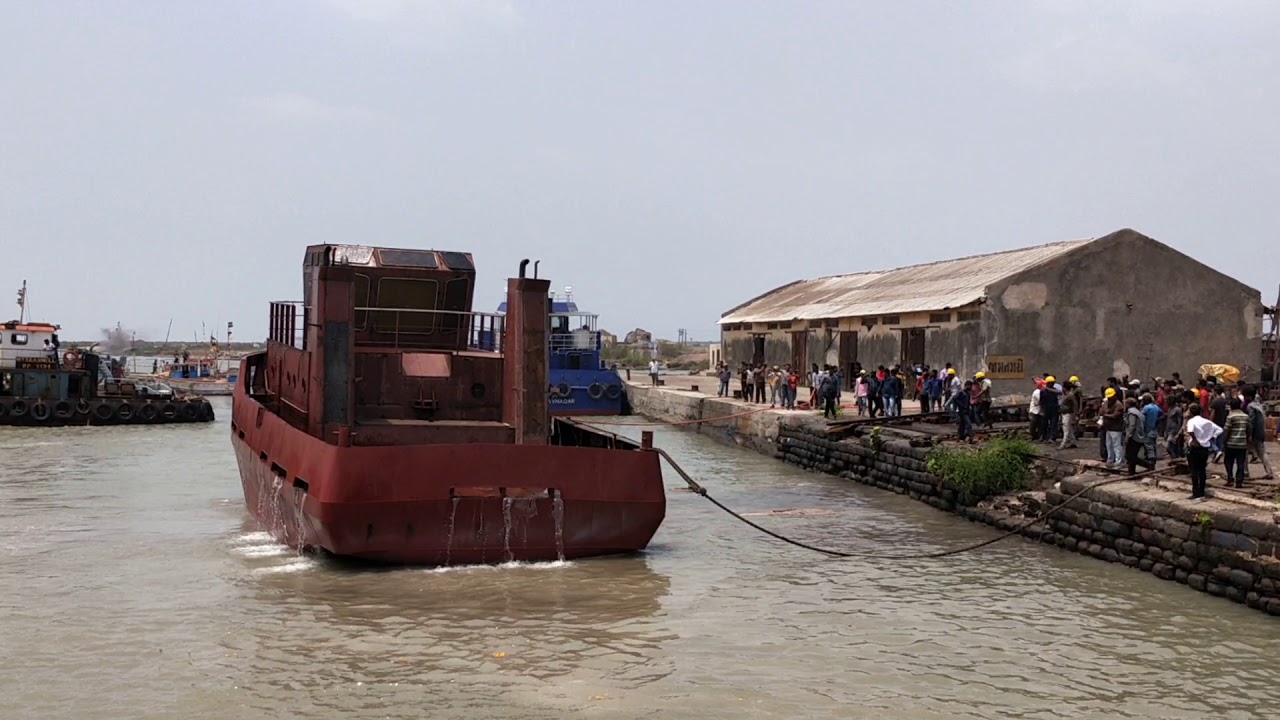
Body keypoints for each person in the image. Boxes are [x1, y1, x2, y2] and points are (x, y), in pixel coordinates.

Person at [1185, 404, 1221, 500]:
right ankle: (1201, 491)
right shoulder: (1207, 421)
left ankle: (1195, 492)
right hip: (1204, 448)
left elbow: (1190, 431)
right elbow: (1219, 430)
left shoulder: (1191, 421)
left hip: (1194, 448)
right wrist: (1211, 438)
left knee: (1194, 471)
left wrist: (1195, 439)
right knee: (1202, 470)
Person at [1245, 388, 1275, 480]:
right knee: (1262, 452)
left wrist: (1249, 434)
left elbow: (1251, 422)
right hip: (1261, 431)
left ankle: (1245, 473)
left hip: (1254, 433)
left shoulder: (1250, 407)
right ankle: (1269, 472)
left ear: (1248, 396)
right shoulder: (1259, 405)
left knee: (1244, 452)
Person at [1223, 398, 1251, 488]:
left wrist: (1224, 441)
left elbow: (1227, 430)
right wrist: (1247, 440)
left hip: (1231, 443)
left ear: (1231, 406)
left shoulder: (1230, 417)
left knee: (1228, 462)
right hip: (1242, 444)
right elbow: (1249, 430)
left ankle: (1230, 479)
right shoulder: (1246, 416)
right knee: (1241, 463)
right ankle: (1239, 481)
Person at [1124, 398, 1155, 475]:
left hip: (1134, 437)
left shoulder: (1132, 413)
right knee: (1132, 455)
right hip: (1139, 436)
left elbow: (1132, 425)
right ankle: (1131, 471)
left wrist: (1128, 437)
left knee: (1130, 456)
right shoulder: (1138, 412)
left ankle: (1147, 464)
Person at [1101, 388, 1125, 469]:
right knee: (1109, 445)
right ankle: (1110, 460)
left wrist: (1105, 415)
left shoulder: (1119, 404)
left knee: (1117, 445)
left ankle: (1119, 461)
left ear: (1114, 396)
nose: (1109, 399)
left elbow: (1115, 415)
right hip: (1108, 428)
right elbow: (1101, 411)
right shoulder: (1106, 403)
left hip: (1116, 428)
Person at [1059, 377, 1080, 449]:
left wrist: (1075, 414)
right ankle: (1073, 442)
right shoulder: (1066, 394)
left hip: (1068, 413)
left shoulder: (1070, 395)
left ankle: (1063, 444)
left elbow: (1075, 404)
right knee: (1069, 428)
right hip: (1065, 413)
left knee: (1066, 429)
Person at [1140, 393, 1162, 463]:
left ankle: (1151, 461)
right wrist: (1156, 421)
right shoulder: (1156, 407)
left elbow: (1141, 417)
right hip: (1154, 429)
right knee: (1153, 445)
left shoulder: (1146, 408)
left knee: (1149, 446)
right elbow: (1162, 415)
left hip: (1147, 429)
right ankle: (1153, 459)